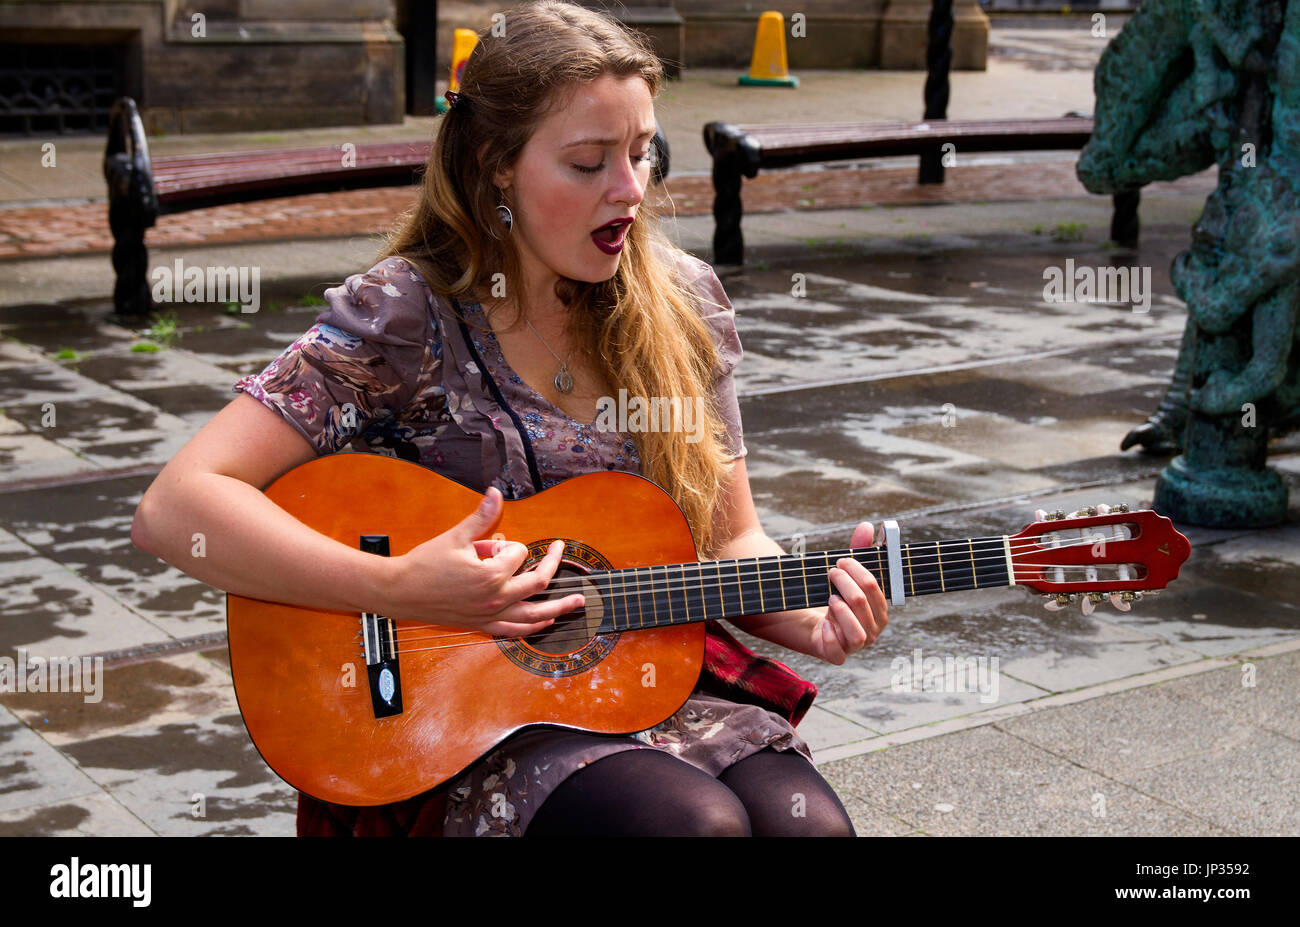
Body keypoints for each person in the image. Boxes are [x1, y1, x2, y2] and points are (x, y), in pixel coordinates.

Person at [130, 0, 888, 837]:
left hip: (643, 670)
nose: (629, 191)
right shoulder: (407, 314)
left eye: (641, 154)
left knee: (809, 829)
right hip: (463, 714)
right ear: (496, 166)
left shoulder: (683, 303)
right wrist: (397, 585)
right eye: (589, 162)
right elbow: (177, 508)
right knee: (691, 826)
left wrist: (812, 617)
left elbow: (731, 540)